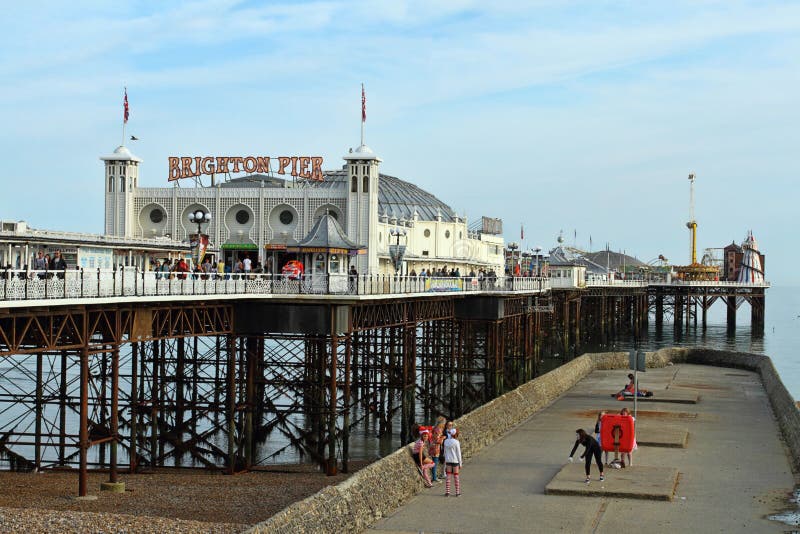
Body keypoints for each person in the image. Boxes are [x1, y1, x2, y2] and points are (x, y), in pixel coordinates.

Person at [443, 427, 463, 497]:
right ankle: (457, 492)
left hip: (448, 460)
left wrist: (445, 461)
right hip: (455, 461)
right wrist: (460, 463)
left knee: (448, 476)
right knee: (456, 476)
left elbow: (444, 452)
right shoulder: (456, 442)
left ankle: (447, 492)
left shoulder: (445, 441)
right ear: (456, 435)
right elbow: (458, 453)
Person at [429, 416, 446, 483]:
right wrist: (443, 438)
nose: (444, 424)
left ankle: (434, 476)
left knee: (434, 462)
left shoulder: (435, 428)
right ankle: (434, 477)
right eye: (444, 423)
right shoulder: (438, 430)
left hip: (432, 447)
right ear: (441, 423)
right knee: (435, 463)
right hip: (435, 448)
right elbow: (438, 441)